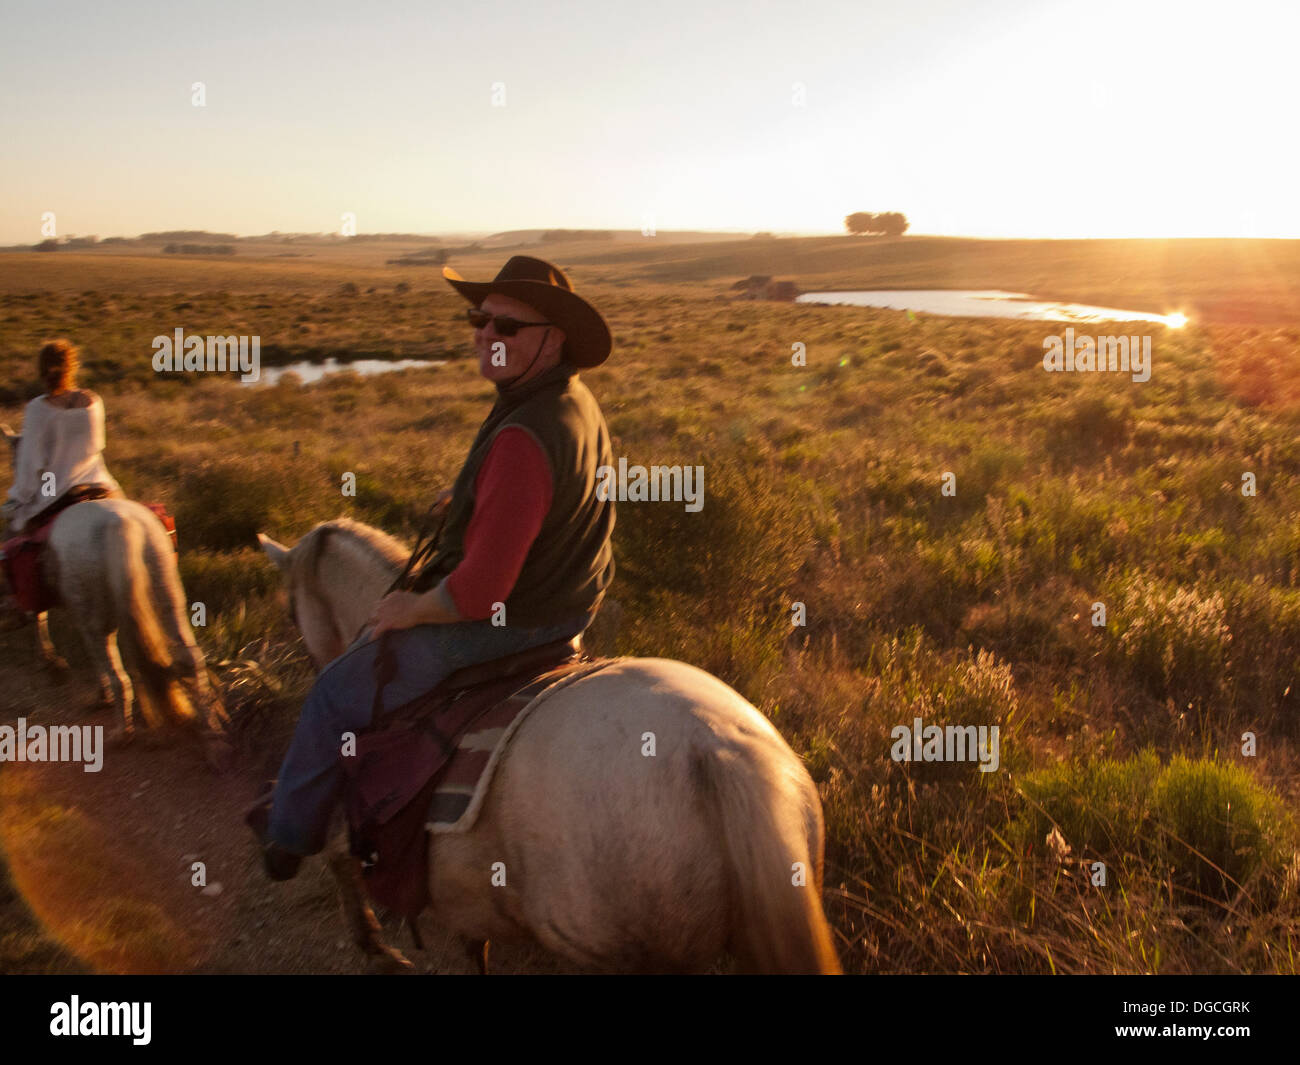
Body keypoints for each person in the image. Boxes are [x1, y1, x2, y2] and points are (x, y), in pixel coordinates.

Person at [252, 256, 617, 879]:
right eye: (480, 319)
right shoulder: (565, 401)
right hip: (570, 607)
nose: (485, 334)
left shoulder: (525, 432)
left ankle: (289, 837)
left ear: (552, 339)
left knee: (335, 694)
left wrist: (410, 608)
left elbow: (480, 592)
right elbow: (544, 498)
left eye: (506, 326)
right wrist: (470, 496)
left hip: (511, 621)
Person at [1, 339, 124, 630]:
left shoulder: (38, 409)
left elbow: (34, 465)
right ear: (73, 366)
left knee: (10, 540)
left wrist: (17, 499)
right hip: (101, 485)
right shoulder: (93, 401)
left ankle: (18, 608)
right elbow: (98, 445)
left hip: (54, 490)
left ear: (41, 370)